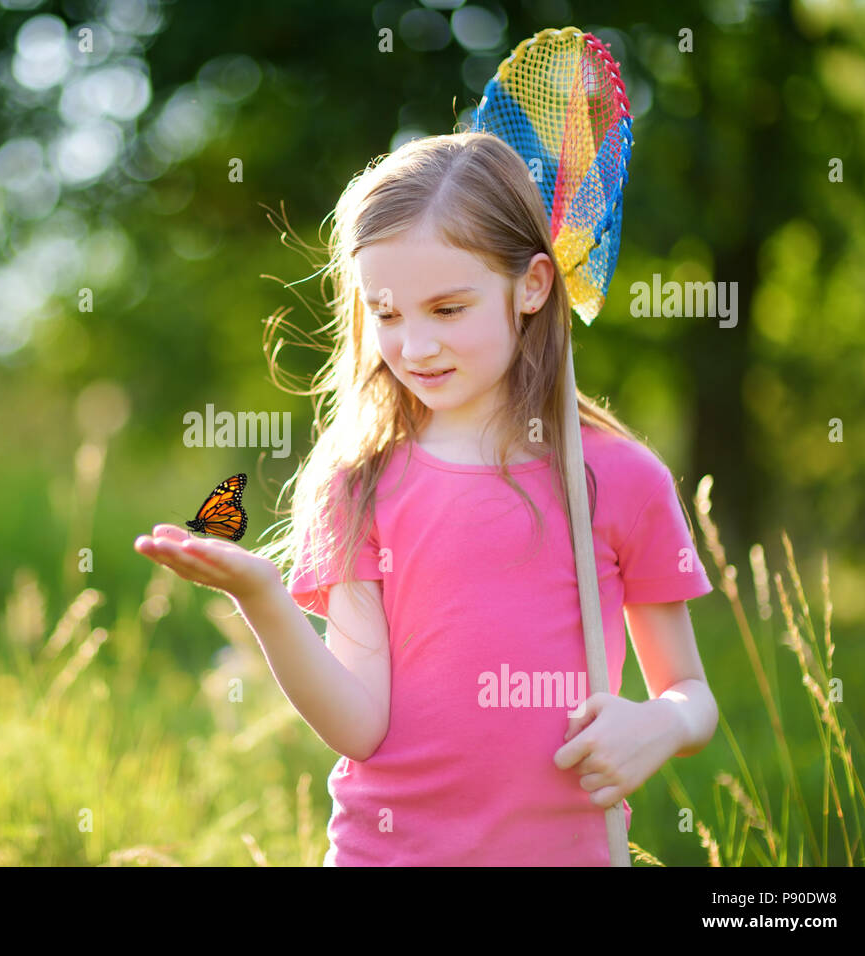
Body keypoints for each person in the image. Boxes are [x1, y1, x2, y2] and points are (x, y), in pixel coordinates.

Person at [134, 131, 718, 865]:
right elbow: (359, 725)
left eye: (446, 309)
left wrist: (658, 725)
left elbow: (690, 692)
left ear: (533, 286)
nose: (413, 346)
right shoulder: (358, 481)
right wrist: (262, 596)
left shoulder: (620, 479)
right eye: (387, 312)